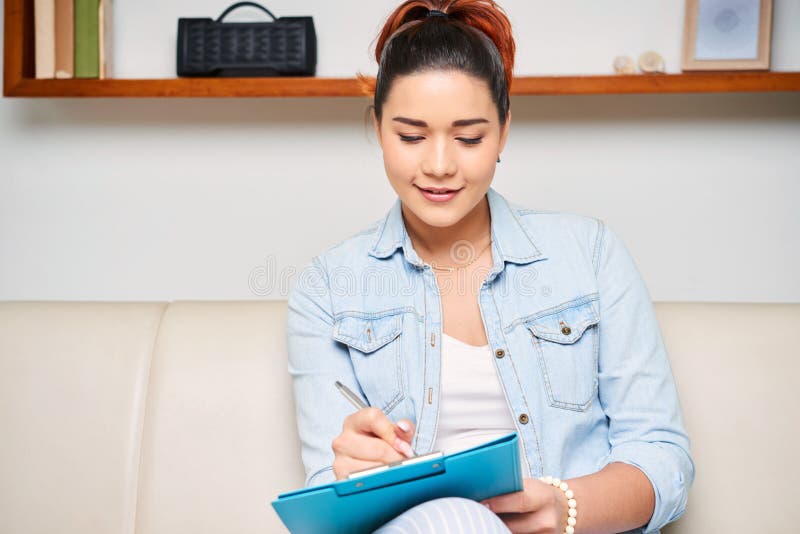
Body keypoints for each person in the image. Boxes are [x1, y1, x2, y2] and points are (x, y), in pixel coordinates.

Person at [286, 1, 694, 532]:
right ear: (378, 129)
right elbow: (327, 494)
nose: (438, 165)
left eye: (469, 137)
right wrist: (349, 471)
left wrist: (561, 506)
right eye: (410, 136)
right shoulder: (327, 290)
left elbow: (664, 461)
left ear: (503, 131)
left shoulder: (589, 253)